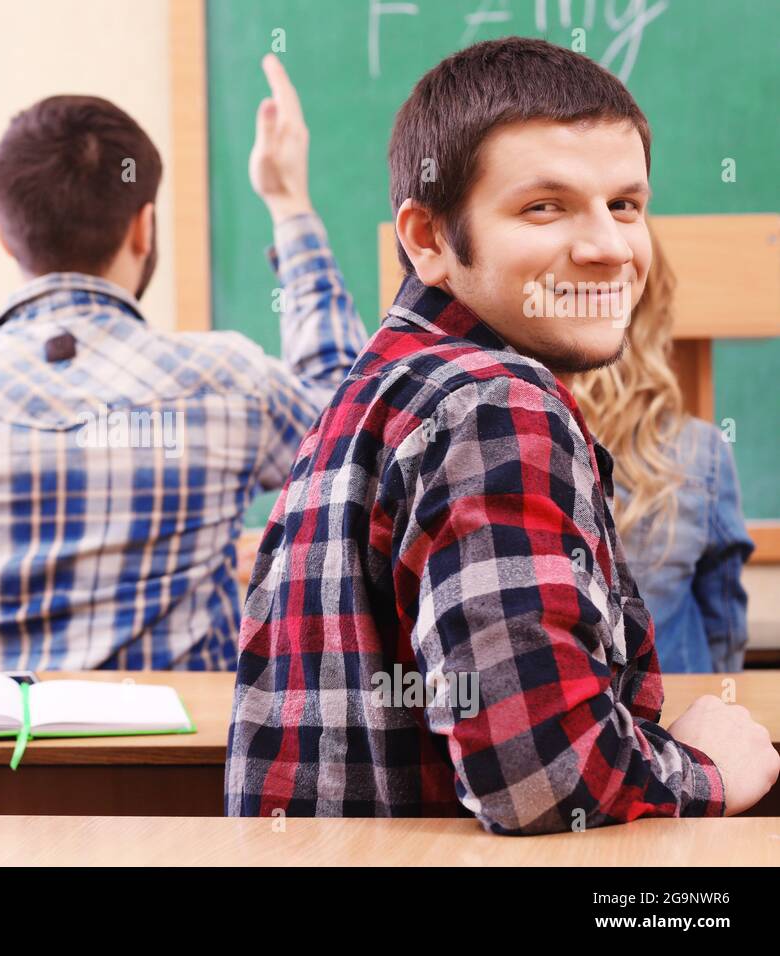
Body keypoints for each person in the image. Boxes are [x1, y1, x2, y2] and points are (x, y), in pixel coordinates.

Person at [225, 38, 779, 833]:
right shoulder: (497, 405)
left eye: (626, 204)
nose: (608, 246)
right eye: (544, 207)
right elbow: (544, 777)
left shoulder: (381, 389)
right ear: (428, 240)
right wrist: (706, 768)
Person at [0, 56, 368, 671]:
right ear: (144, 229)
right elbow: (352, 436)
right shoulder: (232, 383)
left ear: (7, 237)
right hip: (181, 769)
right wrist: (288, 204)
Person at [572, 230, 753, 672]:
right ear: (654, 310)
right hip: (674, 720)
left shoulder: (520, 439)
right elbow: (725, 626)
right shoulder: (701, 452)